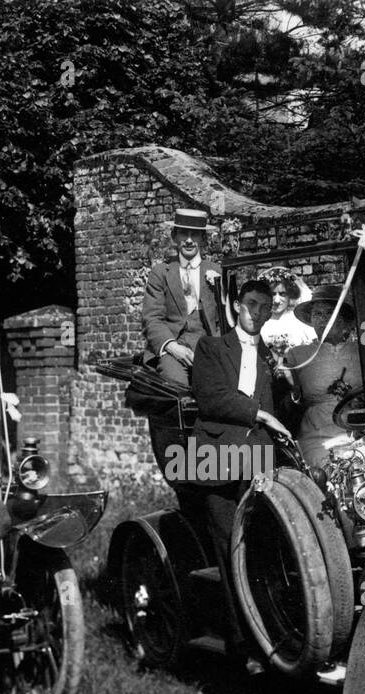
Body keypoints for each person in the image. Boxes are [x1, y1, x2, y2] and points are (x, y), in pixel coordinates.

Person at [189, 279, 293, 672]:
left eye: (266, 307)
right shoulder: (212, 348)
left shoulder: (271, 356)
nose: (258, 313)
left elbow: (284, 411)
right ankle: (240, 648)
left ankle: (270, 639)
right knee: (231, 549)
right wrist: (259, 414)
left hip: (258, 461)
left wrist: (288, 387)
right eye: (251, 305)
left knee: (262, 550)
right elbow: (211, 397)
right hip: (217, 459)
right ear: (236, 307)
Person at [140, 206, 223, 538]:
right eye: (183, 235)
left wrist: (220, 290)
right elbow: (152, 320)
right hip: (175, 346)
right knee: (174, 388)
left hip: (210, 349)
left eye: (195, 235)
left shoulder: (216, 271)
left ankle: (218, 459)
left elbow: (228, 320)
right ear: (175, 238)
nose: (189, 240)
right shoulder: (161, 274)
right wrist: (172, 348)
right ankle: (181, 457)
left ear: (202, 239)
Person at [286, 284, 363, 470]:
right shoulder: (298, 355)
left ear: (344, 320)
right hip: (317, 431)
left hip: (360, 427)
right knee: (325, 470)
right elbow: (290, 402)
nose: (322, 320)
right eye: (317, 315)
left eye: (329, 313)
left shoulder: (362, 351)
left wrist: (355, 396)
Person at [257, 266, 316, 356]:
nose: (277, 300)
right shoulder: (258, 323)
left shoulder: (300, 321)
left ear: (290, 295)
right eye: (272, 294)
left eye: (282, 294)